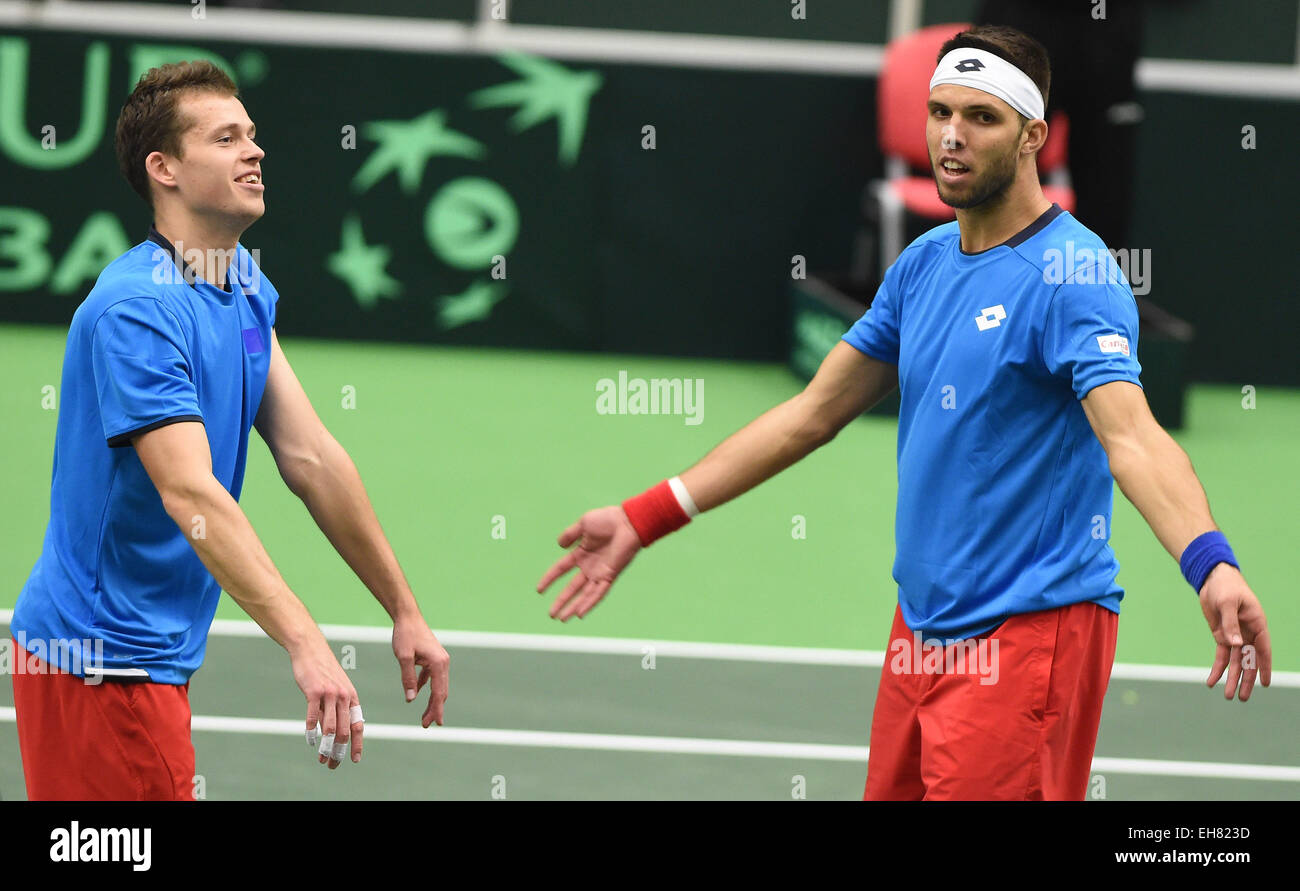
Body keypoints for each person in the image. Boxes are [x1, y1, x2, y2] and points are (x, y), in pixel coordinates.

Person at [536, 25, 1272, 801]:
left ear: (1034, 137)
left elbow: (1134, 439)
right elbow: (810, 414)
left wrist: (1210, 561)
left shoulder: (1074, 274)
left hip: (1031, 630)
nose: (951, 137)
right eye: (940, 111)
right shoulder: (922, 265)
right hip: (922, 629)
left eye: (981, 118)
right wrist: (646, 515)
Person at [9, 60, 449, 801]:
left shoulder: (239, 279)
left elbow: (311, 456)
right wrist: (307, 641)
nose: (255, 151)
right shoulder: (137, 312)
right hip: (102, 661)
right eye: (226, 138)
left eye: (252, 134)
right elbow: (191, 491)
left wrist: (402, 609)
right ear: (165, 169)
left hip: (142, 657)